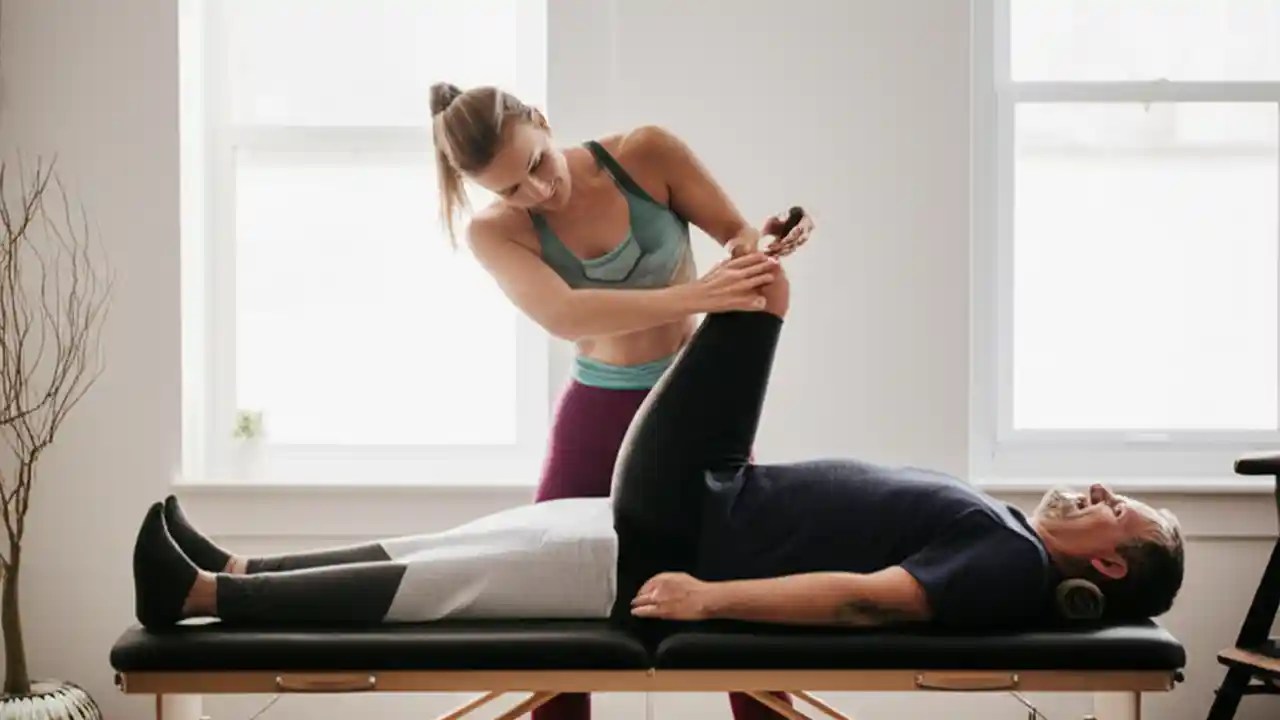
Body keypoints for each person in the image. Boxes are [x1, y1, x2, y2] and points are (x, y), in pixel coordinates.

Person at [133, 258, 1185, 645]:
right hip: (691, 504)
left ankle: (205, 604)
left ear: (1102, 565)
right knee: (441, 550)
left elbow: (873, 599)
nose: (1097, 493)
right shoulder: (1006, 536)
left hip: (676, 530)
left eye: (1116, 510)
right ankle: (228, 573)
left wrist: (707, 599)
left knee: (434, 587)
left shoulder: (1008, 566)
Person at [428, 81, 814, 720]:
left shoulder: (647, 153)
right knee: (553, 604)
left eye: (536, 164)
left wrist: (763, 244)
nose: (537, 192)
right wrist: (699, 295)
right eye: (510, 190)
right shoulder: (494, 233)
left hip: (693, 406)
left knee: (738, 592)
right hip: (595, 413)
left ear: (544, 122)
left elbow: (736, 236)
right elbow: (568, 314)